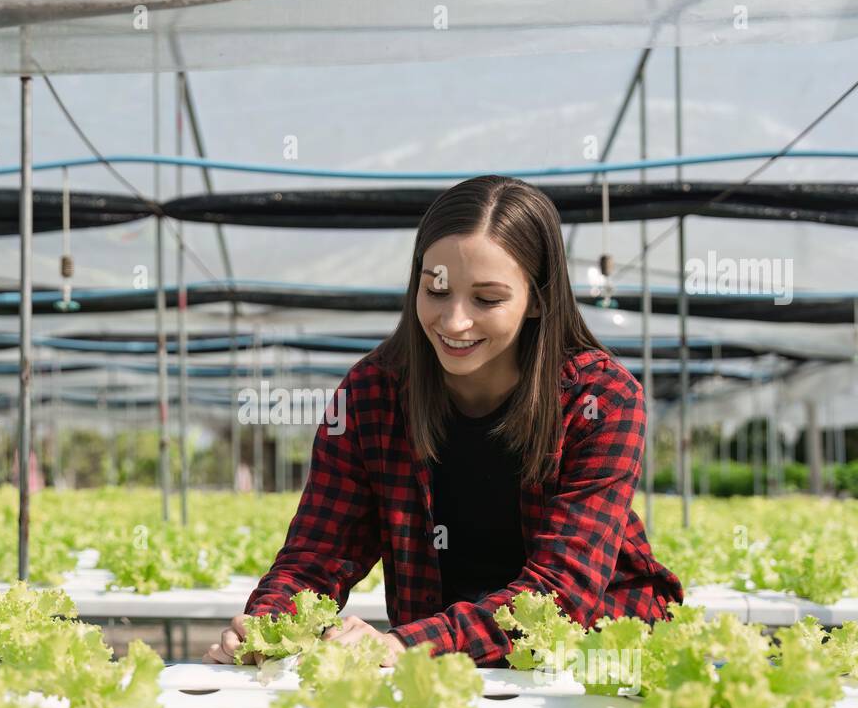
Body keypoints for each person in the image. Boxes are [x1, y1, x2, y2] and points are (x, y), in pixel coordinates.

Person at [206, 175, 683, 668]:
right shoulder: (373, 395)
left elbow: (563, 592)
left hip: (596, 655)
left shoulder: (601, 398)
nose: (454, 321)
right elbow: (315, 555)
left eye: (487, 299)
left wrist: (405, 643)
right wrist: (269, 624)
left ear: (538, 298)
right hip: (443, 659)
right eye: (437, 290)